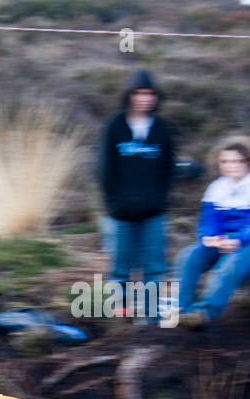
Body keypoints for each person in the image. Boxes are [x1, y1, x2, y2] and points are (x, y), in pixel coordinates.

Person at [174, 138, 250, 330]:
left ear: (249, 161)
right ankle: (182, 309)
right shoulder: (217, 187)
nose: (231, 166)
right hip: (224, 238)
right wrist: (210, 237)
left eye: (237, 161)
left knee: (228, 265)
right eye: (225, 161)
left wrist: (237, 240)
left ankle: (204, 313)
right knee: (188, 256)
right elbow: (209, 219)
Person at [97, 69, 176, 324]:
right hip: (121, 212)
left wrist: (161, 200)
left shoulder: (162, 128)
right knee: (120, 269)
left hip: (153, 212)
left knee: (153, 268)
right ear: (129, 95)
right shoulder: (114, 126)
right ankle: (118, 320)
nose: (145, 99)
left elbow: (168, 169)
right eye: (139, 93)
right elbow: (105, 168)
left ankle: (149, 320)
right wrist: (113, 203)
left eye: (150, 94)